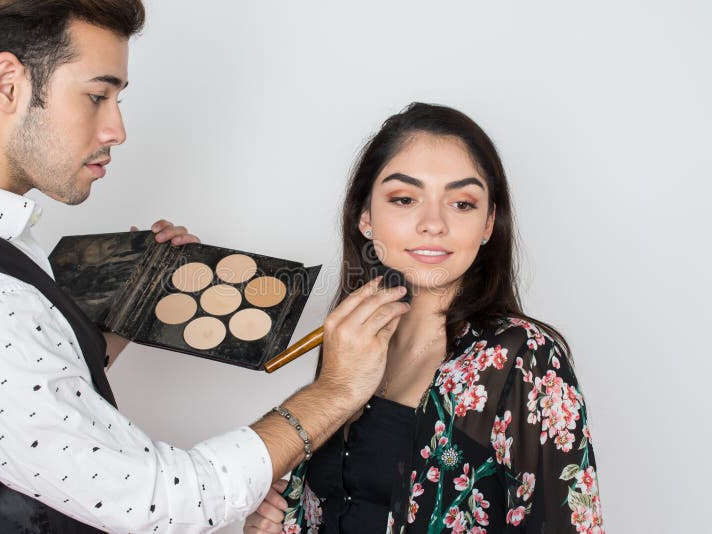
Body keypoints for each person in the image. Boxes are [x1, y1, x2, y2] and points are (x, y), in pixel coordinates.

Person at [0, 2, 410, 532]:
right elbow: (163, 504)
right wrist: (334, 391)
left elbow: (9, 408)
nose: (117, 130)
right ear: (8, 84)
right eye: (97, 96)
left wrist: (111, 322)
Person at [245, 103, 604, 533]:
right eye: (404, 199)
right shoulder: (355, 339)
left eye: (462, 203)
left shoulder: (525, 360)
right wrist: (282, 523)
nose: (433, 223)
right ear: (365, 217)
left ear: (489, 223)